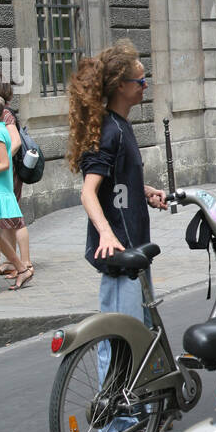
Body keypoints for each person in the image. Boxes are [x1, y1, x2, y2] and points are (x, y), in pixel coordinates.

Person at [66, 40, 167, 324]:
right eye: (141, 81)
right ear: (121, 86)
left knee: (140, 338)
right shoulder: (110, 131)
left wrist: (144, 192)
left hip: (134, 248)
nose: (145, 86)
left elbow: (116, 180)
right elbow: (88, 192)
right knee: (121, 343)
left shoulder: (120, 126)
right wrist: (107, 235)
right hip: (121, 251)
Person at [0, 79, 33, 287]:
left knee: (11, 222)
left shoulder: (1, 123)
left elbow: (9, 152)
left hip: (1, 182)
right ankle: (19, 266)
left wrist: (0, 160)